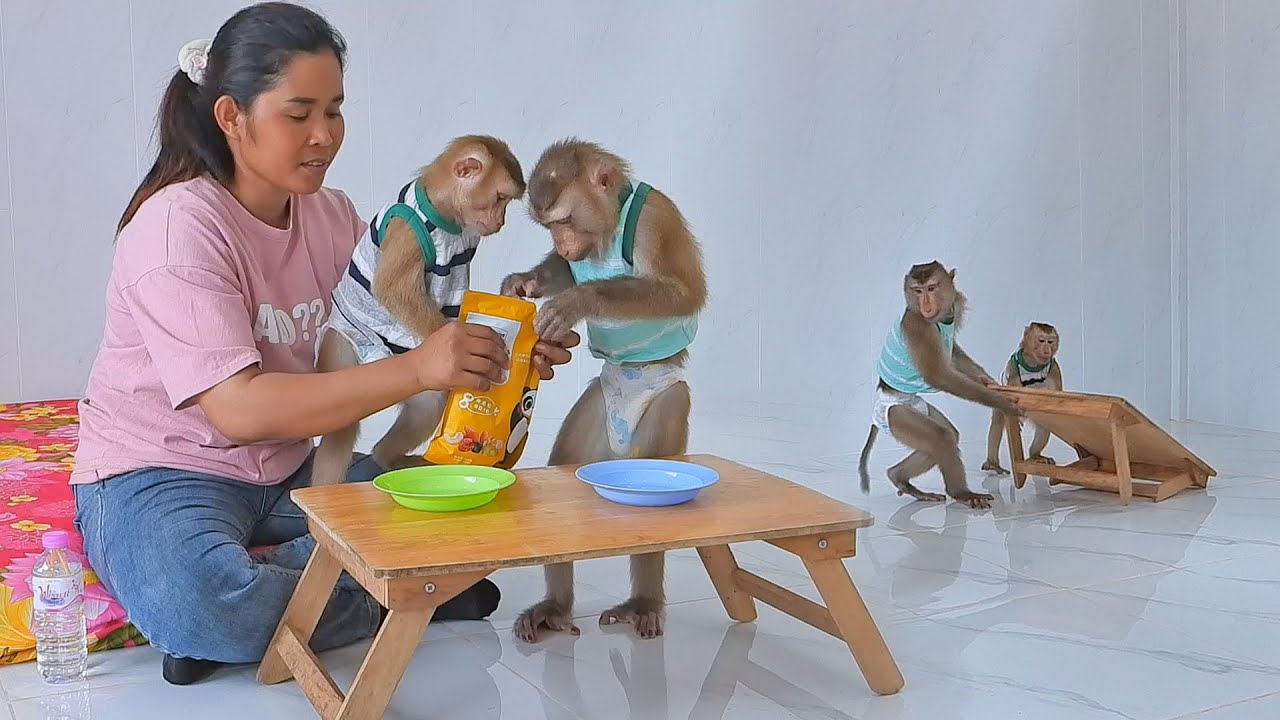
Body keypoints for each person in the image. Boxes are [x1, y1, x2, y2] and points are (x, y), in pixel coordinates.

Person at [69, 2, 577, 686]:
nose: (324, 136)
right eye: (298, 113)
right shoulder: (175, 231)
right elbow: (240, 411)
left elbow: (388, 332)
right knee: (204, 599)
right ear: (231, 116)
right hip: (160, 472)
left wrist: (506, 358)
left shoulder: (331, 215)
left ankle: (304, 596)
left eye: (334, 110)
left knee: (479, 510)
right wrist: (426, 367)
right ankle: (389, 592)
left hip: (291, 467)